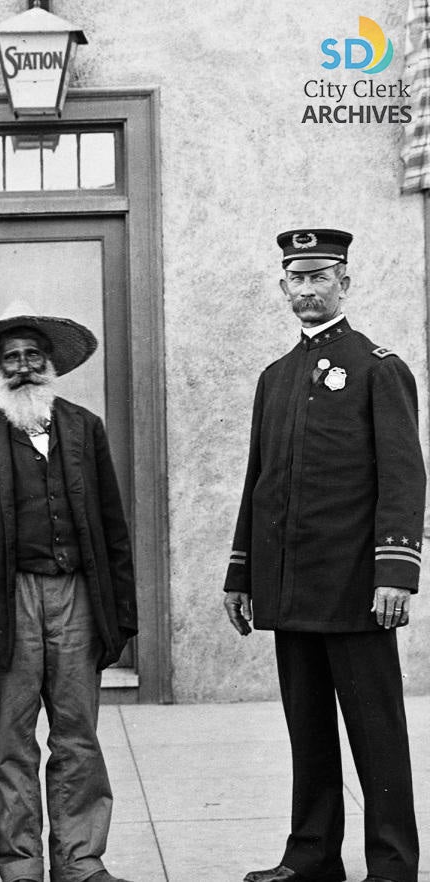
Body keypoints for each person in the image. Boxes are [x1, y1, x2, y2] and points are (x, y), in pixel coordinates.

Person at [224, 229, 425, 882]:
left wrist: (395, 572)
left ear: (345, 283)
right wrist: (242, 575)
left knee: (378, 739)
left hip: (355, 591)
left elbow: (403, 476)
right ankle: (311, 856)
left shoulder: (378, 367)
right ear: (283, 288)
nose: (307, 290)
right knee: (307, 736)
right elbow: (260, 482)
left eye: (320, 277)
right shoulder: (274, 379)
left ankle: (392, 866)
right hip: (290, 591)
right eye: (296, 279)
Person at [0, 308, 137, 882]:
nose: (24, 367)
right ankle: (21, 865)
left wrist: (120, 614)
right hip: (10, 604)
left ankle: (81, 862)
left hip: (77, 595)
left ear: (51, 365)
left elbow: (112, 525)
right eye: (11, 359)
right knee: (14, 740)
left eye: (33, 357)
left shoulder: (84, 427)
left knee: (78, 735)